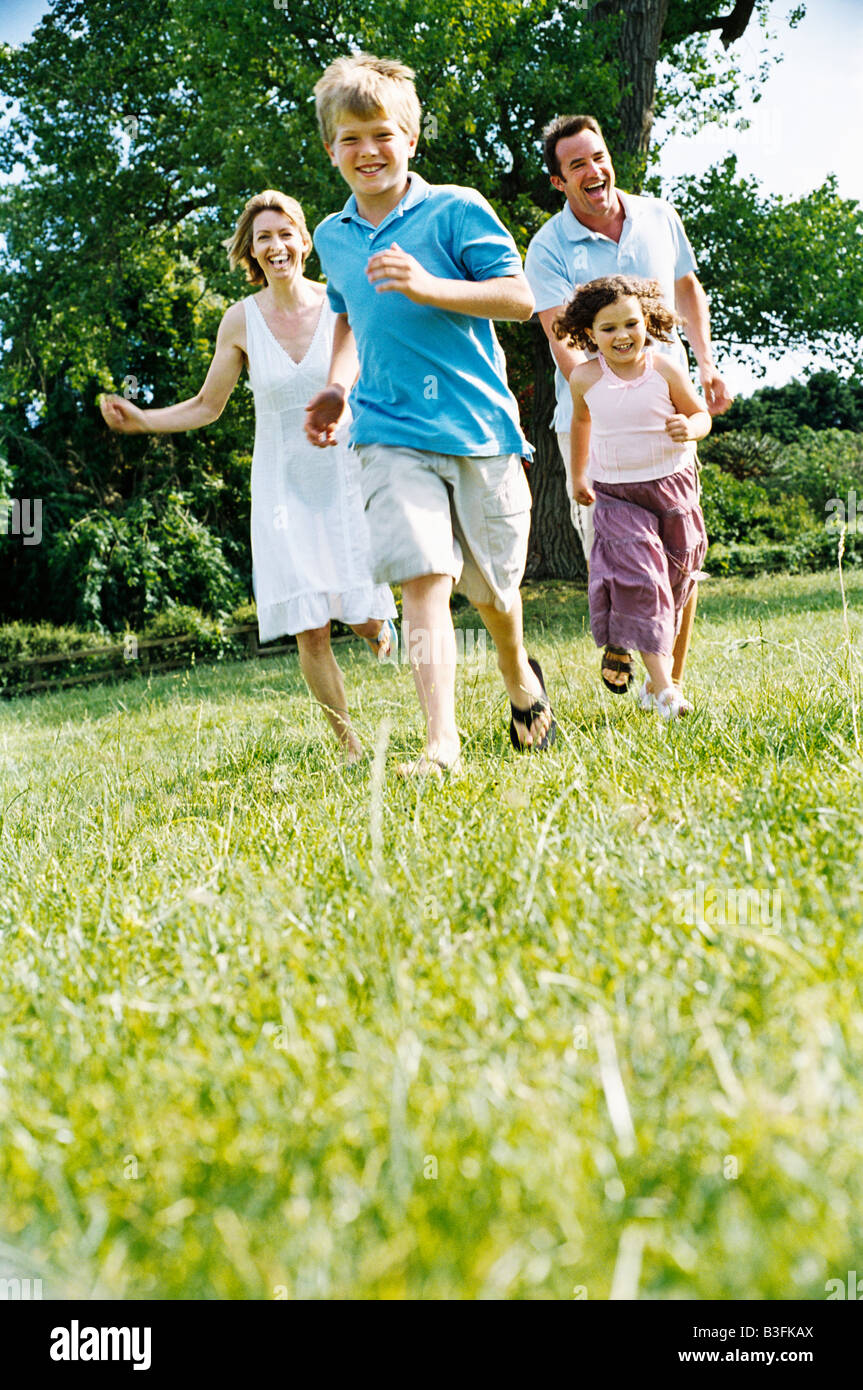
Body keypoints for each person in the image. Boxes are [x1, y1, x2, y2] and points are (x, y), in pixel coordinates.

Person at [304, 53, 555, 778]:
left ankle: (516, 673)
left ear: (410, 139)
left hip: (476, 429)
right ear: (331, 151)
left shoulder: (456, 209)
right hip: (386, 430)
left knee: (494, 594)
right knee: (421, 576)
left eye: (382, 134)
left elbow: (519, 298)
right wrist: (338, 387)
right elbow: (348, 316)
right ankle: (441, 743)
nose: (367, 151)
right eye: (350, 139)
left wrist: (429, 285)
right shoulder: (332, 235)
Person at [99, 190, 396, 764]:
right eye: (264, 237)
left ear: (304, 241)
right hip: (284, 489)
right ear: (251, 251)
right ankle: (350, 748)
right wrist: (143, 421)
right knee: (310, 625)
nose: (276, 245)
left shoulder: (338, 304)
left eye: (285, 233)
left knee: (360, 612)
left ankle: (378, 628)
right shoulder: (241, 320)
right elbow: (207, 405)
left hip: (346, 476)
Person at [524, 114, 732, 701]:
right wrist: (608, 391)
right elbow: (560, 336)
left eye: (599, 157)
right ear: (559, 182)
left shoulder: (659, 216)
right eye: (577, 165)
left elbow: (687, 288)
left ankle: (668, 688)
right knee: (620, 553)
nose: (594, 170)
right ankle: (624, 630)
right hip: (595, 426)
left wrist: (706, 364)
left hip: (666, 418)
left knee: (682, 551)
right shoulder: (547, 247)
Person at [553, 274, 709, 718]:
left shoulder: (664, 369)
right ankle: (666, 691)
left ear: (647, 321)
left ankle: (650, 681)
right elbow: (581, 422)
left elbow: (700, 414)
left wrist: (690, 427)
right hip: (618, 496)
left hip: (672, 489)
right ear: (588, 333)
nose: (622, 335)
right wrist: (578, 474)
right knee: (643, 581)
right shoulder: (584, 378)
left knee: (676, 582)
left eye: (631, 324)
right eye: (608, 328)